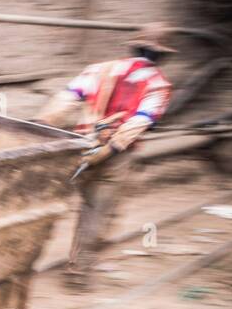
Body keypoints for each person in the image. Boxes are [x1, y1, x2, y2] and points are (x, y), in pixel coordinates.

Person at [34, 23, 178, 283]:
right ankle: (78, 273)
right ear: (164, 55)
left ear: (134, 47)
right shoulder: (159, 85)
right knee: (96, 211)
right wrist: (108, 149)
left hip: (77, 145)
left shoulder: (99, 69)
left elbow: (65, 100)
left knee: (47, 202)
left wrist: (40, 127)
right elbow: (140, 122)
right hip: (115, 156)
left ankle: (23, 258)